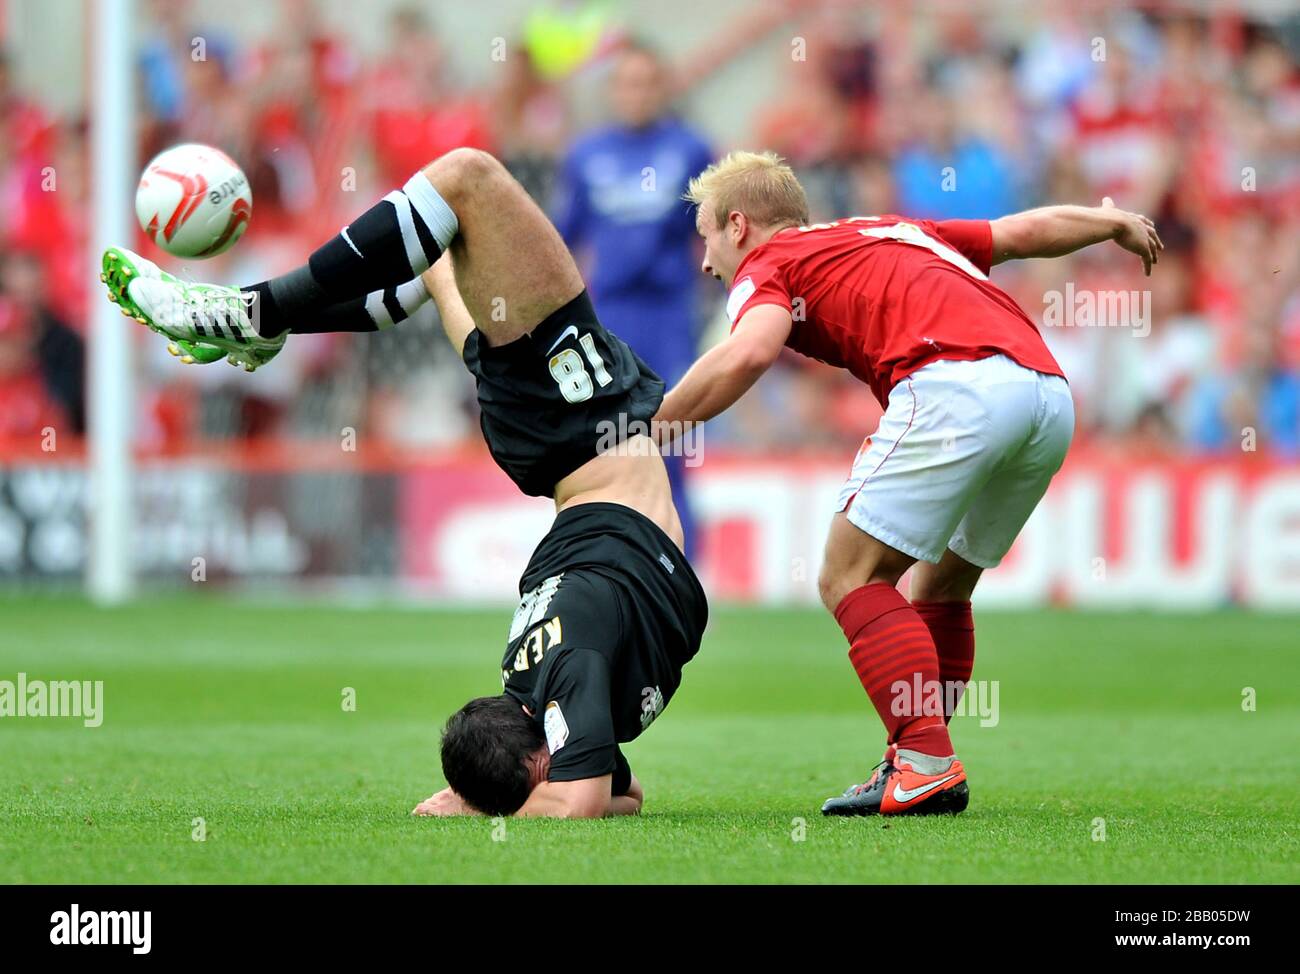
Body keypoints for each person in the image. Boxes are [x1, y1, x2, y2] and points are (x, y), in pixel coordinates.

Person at [98, 146, 708, 818]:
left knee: (460, 210)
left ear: (543, 759)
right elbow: (600, 799)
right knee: (463, 191)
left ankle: (260, 319)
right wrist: (493, 801)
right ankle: (260, 318)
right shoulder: (556, 673)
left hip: (576, 437)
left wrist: (488, 803)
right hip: (576, 435)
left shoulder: (561, 664)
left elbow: (592, 798)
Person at [653, 150, 1162, 817]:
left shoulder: (766, 266)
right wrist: (1111, 223)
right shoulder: (892, 229)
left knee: (850, 576)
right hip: (1045, 394)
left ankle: (925, 760)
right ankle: (919, 759)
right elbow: (1019, 233)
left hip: (957, 387)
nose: (705, 260)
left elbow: (751, 350)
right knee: (943, 583)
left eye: (708, 237)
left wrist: (655, 425)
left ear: (739, 225)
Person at [552, 40, 713, 554]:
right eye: (625, 83)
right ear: (611, 91)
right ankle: (616, 562)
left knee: (674, 437)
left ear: (663, 88)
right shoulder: (585, 155)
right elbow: (562, 240)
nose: (636, 94)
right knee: (610, 444)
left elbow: (714, 235)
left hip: (669, 315)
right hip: (610, 317)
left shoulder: (692, 150)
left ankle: (683, 567)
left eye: (646, 82)